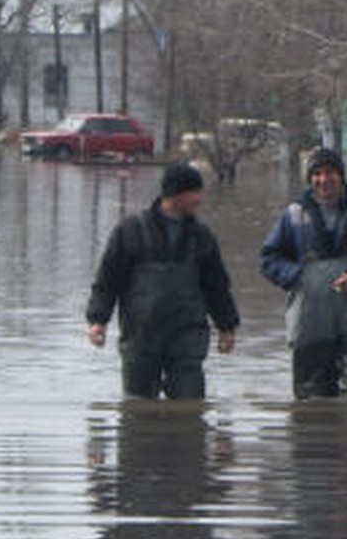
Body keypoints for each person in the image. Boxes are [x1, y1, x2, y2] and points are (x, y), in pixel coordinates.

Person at [86, 161, 239, 400]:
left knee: (190, 410)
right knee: (137, 413)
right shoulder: (131, 230)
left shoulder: (202, 236)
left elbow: (216, 286)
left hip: (187, 339)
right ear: (176, 194)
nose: (200, 198)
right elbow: (108, 280)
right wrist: (98, 320)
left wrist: (227, 326)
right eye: (195, 192)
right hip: (141, 338)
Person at [260, 147, 347, 399]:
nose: (323, 179)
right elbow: (269, 259)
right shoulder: (293, 216)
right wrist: (294, 276)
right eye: (316, 174)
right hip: (310, 324)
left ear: (341, 176)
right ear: (310, 179)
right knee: (311, 400)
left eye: (329, 173)